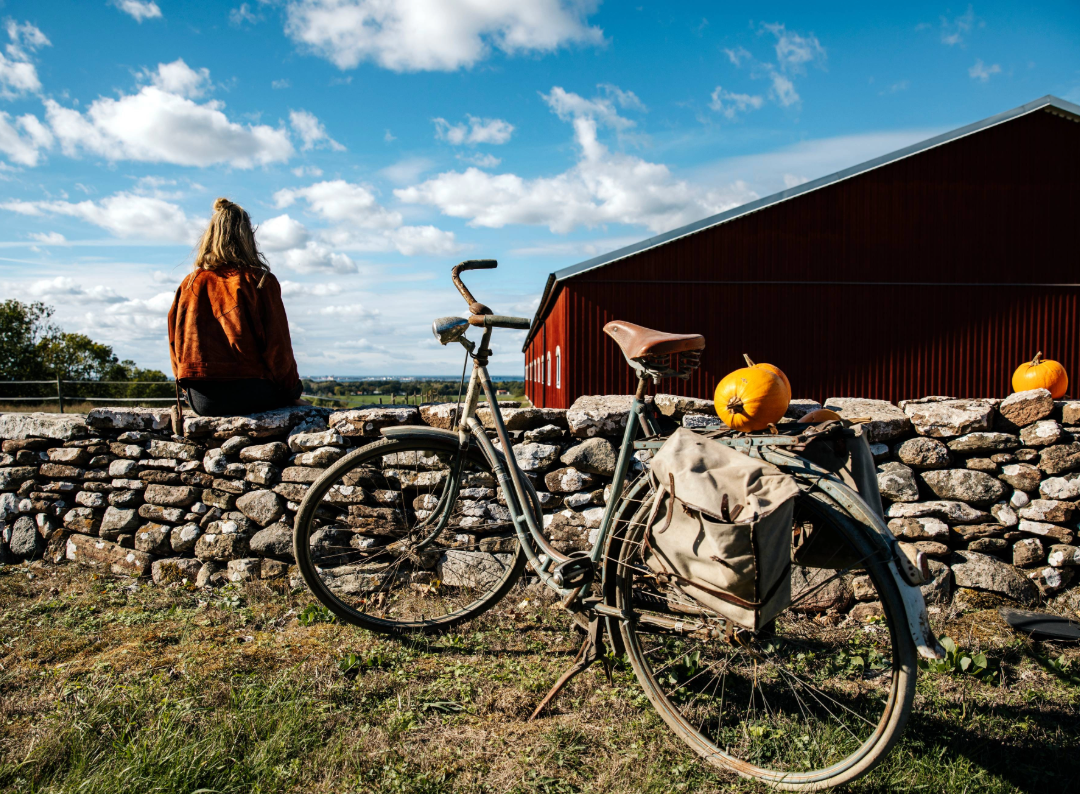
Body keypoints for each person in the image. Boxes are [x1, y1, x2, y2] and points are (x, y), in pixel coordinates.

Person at [168, 198, 305, 417]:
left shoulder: (190, 283)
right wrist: (293, 392)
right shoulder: (259, 281)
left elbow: (176, 345)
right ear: (247, 237)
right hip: (251, 393)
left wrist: (187, 387)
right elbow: (278, 350)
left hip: (202, 399)